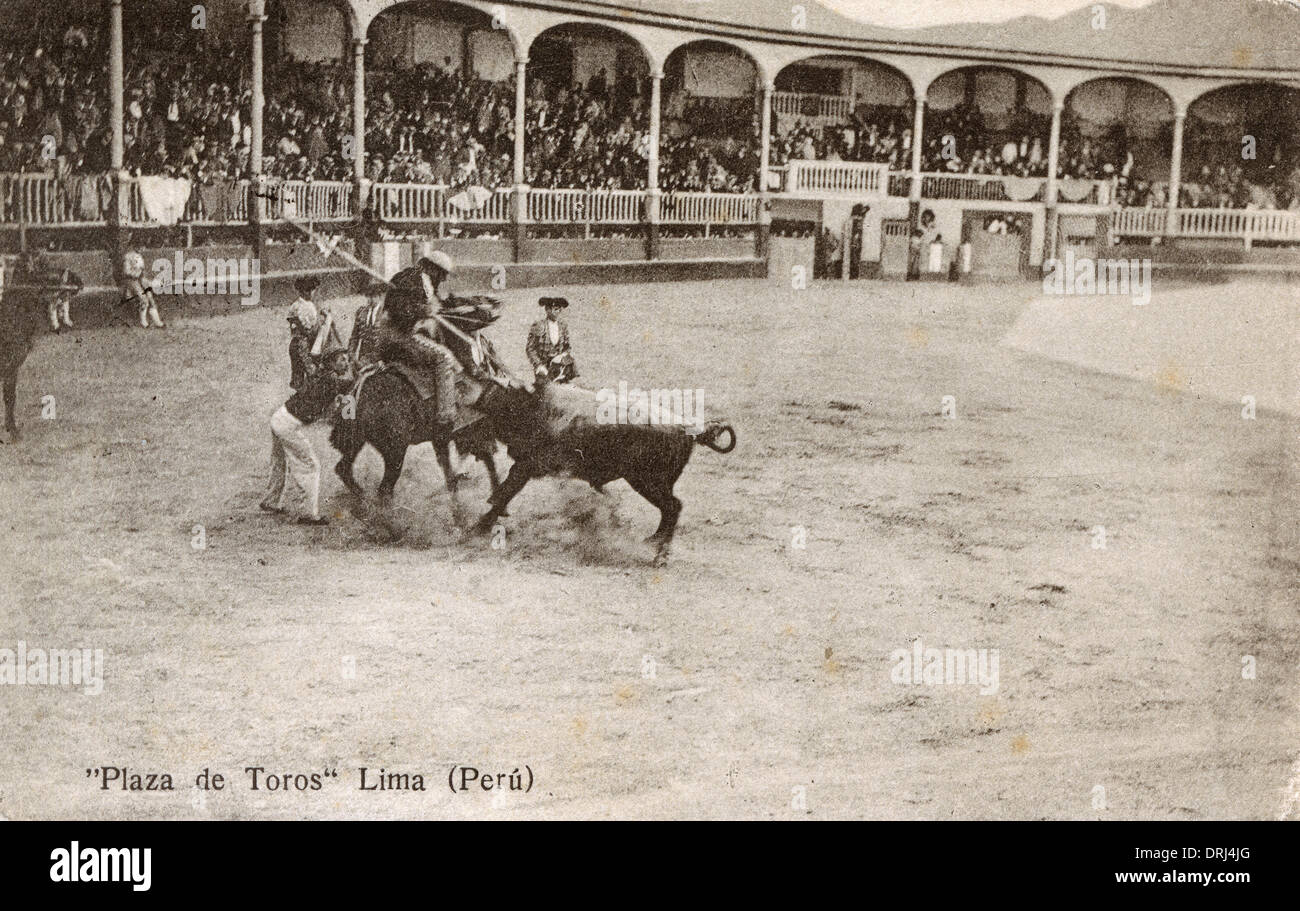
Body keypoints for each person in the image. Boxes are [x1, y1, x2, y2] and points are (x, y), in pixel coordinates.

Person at [260, 346, 353, 525]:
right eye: (342, 360)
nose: (346, 363)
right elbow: (347, 386)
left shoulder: (323, 375)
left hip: (279, 416)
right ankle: (308, 514)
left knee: (279, 462)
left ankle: (271, 502)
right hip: (287, 425)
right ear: (332, 363)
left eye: (347, 359)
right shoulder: (331, 381)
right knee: (311, 466)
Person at [526, 296, 578, 384]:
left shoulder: (563, 325)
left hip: (559, 365)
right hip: (543, 366)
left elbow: (567, 346)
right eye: (555, 309)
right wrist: (538, 365)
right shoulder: (539, 325)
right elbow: (530, 349)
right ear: (547, 310)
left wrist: (562, 356)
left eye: (559, 310)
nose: (558, 312)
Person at [122, 244, 165, 329]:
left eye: (142, 246)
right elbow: (126, 272)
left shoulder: (139, 256)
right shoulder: (128, 257)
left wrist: (147, 281)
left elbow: (142, 271)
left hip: (141, 280)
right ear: (134, 246)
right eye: (139, 246)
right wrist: (136, 274)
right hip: (132, 281)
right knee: (144, 300)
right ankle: (143, 322)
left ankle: (158, 322)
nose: (141, 248)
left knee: (151, 299)